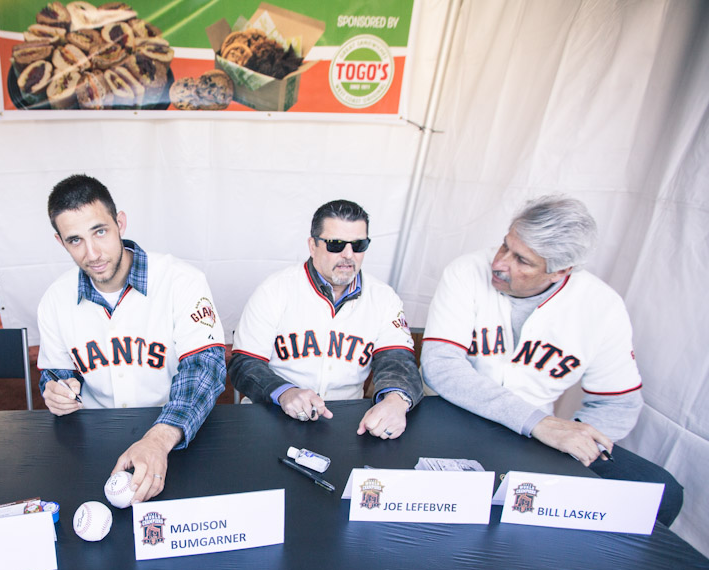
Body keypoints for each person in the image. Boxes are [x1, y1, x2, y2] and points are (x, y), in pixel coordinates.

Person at [421, 195, 682, 525]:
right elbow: (442, 366)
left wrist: (572, 443)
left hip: (535, 442)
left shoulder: (601, 306)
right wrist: (540, 424)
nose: (500, 263)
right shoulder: (465, 271)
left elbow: (620, 403)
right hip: (452, 420)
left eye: (522, 261)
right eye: (505, 246)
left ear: (561, 271)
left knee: (662, 492)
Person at [37, 174, 226, 503]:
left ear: (119, 223)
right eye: (75, 240)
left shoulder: (181, 281)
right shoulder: (55, 299)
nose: (92, 252)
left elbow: (206, 367)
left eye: (100, 231)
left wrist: (158, 439)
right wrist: (55, 389)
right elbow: (56, 372)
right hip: (95, 441)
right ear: (60, 242)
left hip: (174, 433)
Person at [228, 199, 423, 438]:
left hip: (346, 421)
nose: (348, 255)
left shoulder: (383, 297)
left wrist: (396, 401)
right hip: (271, 414)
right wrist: (285, 392)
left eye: (358, 244)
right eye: (336, 244)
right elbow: (244, 364)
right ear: (312, 245)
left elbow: (398, 362)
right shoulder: (275, 290)